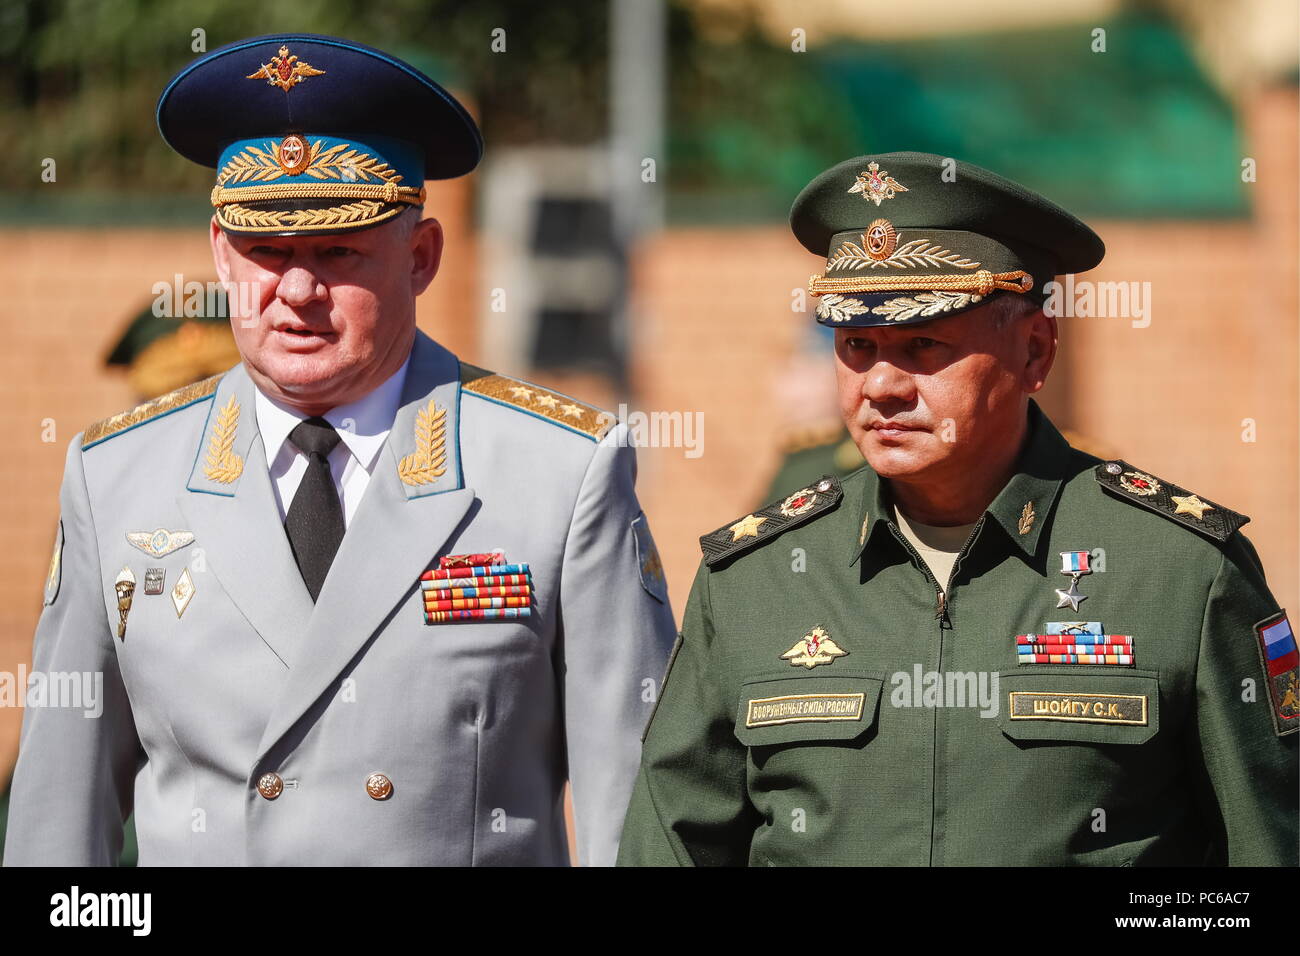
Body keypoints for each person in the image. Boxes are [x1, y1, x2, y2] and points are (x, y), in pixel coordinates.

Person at [5, 33, 675, 867]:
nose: (295, 293)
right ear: (220, 251)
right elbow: (58, 830)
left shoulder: (557, 471)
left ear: (422, 256)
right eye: (266, 253)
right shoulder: (116, 477)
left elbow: (636, 812)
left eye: (337, 253)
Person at [618, 151, 1297, 866]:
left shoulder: (1182, 572)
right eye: (855, 345)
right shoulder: (752, 583)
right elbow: (670, 848)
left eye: (922, 344)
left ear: (1035, 351)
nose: (880, 384)